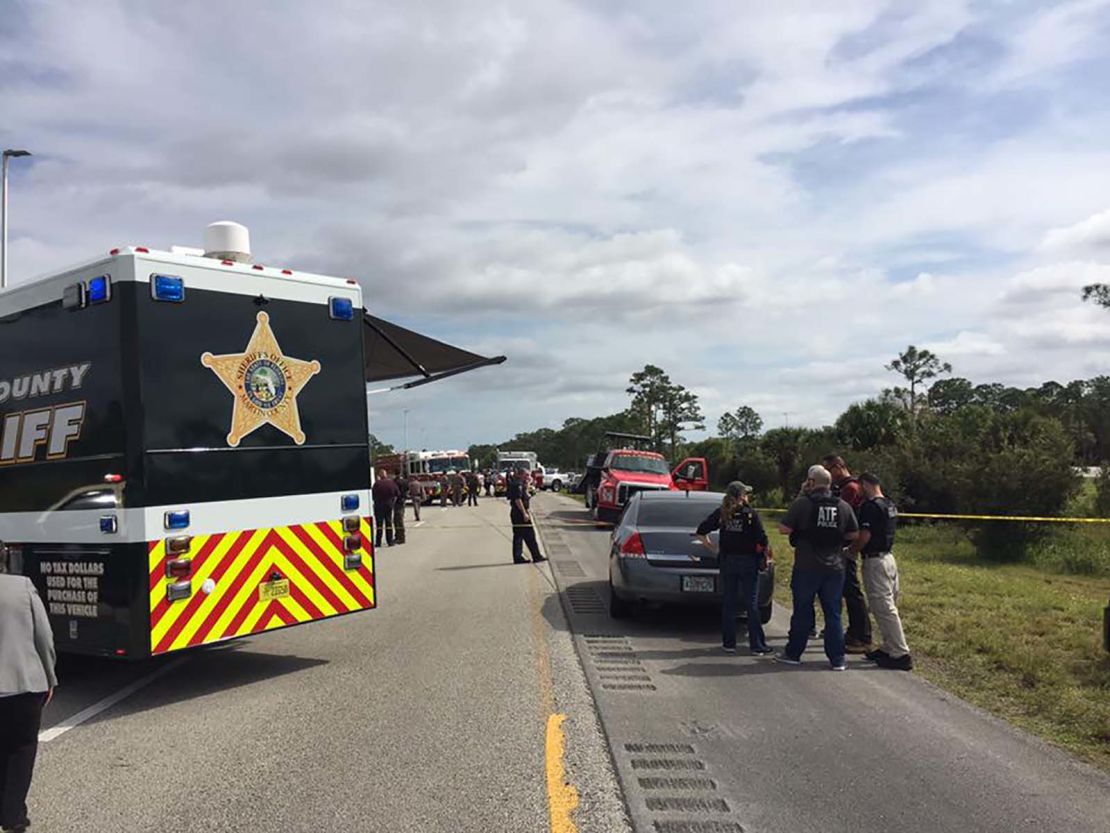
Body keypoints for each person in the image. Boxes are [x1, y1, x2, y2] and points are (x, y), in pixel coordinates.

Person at [775, 465, 859, 670]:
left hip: (807, 566)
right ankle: (837, 659)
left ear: (811, 482)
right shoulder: (843, 506)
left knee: (803, 611)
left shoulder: (802, 504)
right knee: (833, 614)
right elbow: (853, 534)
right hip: (835, 568)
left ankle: (793, 653)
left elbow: (783, 529)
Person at [0, 548, 58, 833]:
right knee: (21, 749)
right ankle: (13, 816)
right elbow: (44, 637)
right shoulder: (22, 586)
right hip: (24, 685)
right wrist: (49, 677)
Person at [695, 481, 773, 655]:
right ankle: (757, 645)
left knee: (729, 602)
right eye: (746, 494)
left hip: (728, 561)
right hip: (748, 563)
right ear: (742, 496)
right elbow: (762, 540)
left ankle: (729, 643)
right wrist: (764, 557)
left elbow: (701, 530)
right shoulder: (751, 515)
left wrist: (713, 548)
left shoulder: (722, 513)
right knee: (751, 603)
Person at [853, 473, 913, 671]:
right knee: (886, 606)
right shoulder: (889, 504)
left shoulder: (870, 506)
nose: (858, 491)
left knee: (884, 607)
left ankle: (900, 653)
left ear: (864, 485)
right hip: (889, 558)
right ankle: (888, 647)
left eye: (859, 487)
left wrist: (851, 551)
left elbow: (865, 535)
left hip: (875, 561)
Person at [822, 453, 873, 653]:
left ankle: (862, 636)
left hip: (846, 547)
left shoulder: (850, 489)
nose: (828, 475)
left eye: (828, 470)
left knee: (852, 592)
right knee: (846, 591)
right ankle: (853, 632)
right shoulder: (842, 488)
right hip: (841, 547)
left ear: (837, 467)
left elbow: (843, 518)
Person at [507, 468, 546, 564]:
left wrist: (529, 485)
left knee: (519, 536)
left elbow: (527, 496)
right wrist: (524, 513)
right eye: (527, 475)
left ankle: (519, 557)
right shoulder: (517, 484)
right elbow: (518, 500)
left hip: (519, 512)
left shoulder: (521, 484)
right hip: (519, 513)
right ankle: (536, 556)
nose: (528, 477)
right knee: (529, 535)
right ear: (521, 475)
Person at [371, 468, 399, 547]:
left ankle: (378, 542)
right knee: (388, 523)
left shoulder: (377, 484)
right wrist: (392, 502)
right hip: (389, 505)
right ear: (386, 474)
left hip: (379, 505)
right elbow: (397, 494)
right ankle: (389, 541)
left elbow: (372, 495)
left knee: (379, 524)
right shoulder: (391, 483)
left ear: (380, 475)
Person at [391, 471, 408, 545]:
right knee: (399, 519)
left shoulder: (395, 482)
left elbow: (394, 492)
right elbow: (407, 490)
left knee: (398, 520)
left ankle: (400, 538)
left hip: (397, 502)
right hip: (403, 501)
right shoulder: (405, 481)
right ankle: (399, 537)